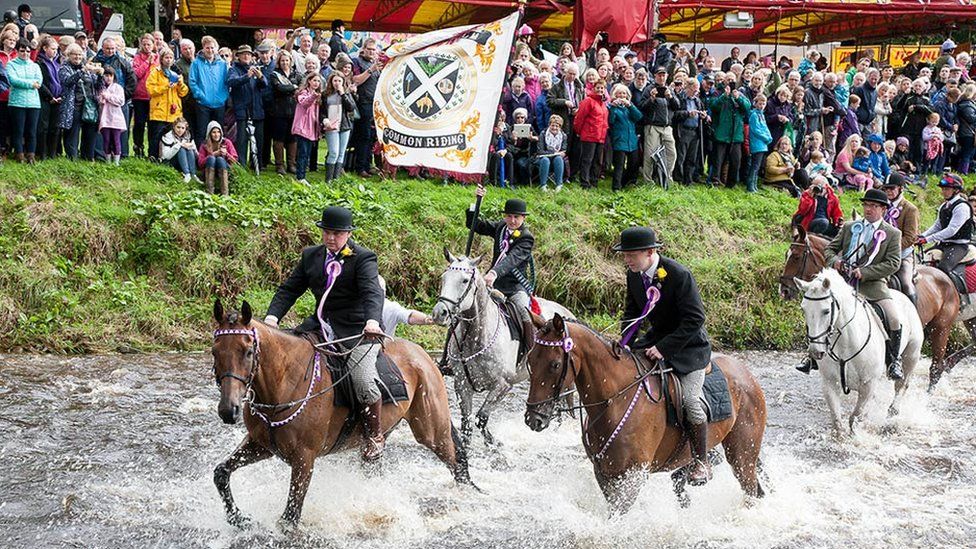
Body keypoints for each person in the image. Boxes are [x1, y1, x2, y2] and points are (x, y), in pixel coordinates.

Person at [264, 205, 387, 461]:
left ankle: (374, 436)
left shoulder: (363, 258)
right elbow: (289, 289)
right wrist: (272, 318)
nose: (331, 238)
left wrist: (373, 321)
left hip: (357, 331)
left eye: (337, 233)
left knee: (363, 380)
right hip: (319, 327)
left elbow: (371, 293)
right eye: (327, 232)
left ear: (348, 234)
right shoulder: (311, 256)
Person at [612, 226, 713, 485]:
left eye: (631, 254)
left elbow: (695, 319)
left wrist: (664, 348)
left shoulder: (679, 275)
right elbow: (632, 314)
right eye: (625, 255)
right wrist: (624, 344)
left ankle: (702, 461)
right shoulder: (633, 275)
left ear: (650, 252)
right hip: (654, 340)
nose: (626, 259)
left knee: (690, 401)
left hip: (689, 348)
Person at [816, 189, 905, 380]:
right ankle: (812, 355)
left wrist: (864, 272)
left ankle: (894, 361)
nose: (868, 209)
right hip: (843, 283)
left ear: (883, 209)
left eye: (873, 206)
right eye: (866, 205)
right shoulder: (850, 227)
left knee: (894, 318)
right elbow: (830, 249)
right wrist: (835, 262)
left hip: (872, 285)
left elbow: (893, 263)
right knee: (818, 307)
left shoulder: (892, 233)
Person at [465, 187, 535, 329]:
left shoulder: (526, 237)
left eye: (516, 217)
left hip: (515, 286)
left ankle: (529, 346)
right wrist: (477, 202)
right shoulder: (501, 227)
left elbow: (512, 259)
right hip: (494, 284)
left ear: (523, 218)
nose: (512, 220)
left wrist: (493, 273)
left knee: (523, 311)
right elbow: (474, 225)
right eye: (509, 216)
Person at [918, 174, 973, 275]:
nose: (944, 192)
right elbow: (937, 226)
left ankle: (955, 290)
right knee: (921, 261)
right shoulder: (944, 205)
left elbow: (951, 230)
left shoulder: (962, 207)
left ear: (956, 190)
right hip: (943, 244)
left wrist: (928, 239)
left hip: (958, 245)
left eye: (947, 189)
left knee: (943, 269)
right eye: (943, 189)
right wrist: (922, 236)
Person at [226, 45, 266, 171]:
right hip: (242, 110)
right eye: (243, 54)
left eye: (248, 54)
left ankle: (256, 165)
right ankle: (241, 166)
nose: (246, 56)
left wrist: (261, 77)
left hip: (257, 110)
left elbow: (264, 85)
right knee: (242, 140)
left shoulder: (255, 68)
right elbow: (232, 82)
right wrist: (246, 76)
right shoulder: (233, 69)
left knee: (259, 140)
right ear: (238, 56)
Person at [882, 173, 920, 305]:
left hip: (902, 255)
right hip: (879, 252)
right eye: (886, 189)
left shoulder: (910, 209)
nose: (888, 192)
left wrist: (890, 248)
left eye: (891, 189)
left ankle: (915, 315)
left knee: (906, 283)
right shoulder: (881, 207)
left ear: (900, 188)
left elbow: (910, 237)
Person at [58, 44, 100, 160]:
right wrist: (82, 71)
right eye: (74, 54)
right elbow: (67, 81)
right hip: (73, 106)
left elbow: (97, 85)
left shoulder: (88, 69)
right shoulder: (64, 68)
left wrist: (100, 75)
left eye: (80, 54)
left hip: (89, 105)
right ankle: (72, 157)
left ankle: (88, 157)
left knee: (90, 131)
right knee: (72, 133)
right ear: (68, 55)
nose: (77, 57)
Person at [145, 47, 188, 160]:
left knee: (171, 137)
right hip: (159, 111)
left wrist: (180, 84)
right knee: (156, 136)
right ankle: (152, 157)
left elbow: (184, 93)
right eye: (166, 57)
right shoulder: (155, 72)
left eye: (171, 58)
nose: (168, 60)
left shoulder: (176, 74)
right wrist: (165, 87)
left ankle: (168, 159)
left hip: (173, 112)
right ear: (161, 59)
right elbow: (150, 89)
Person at [640, 67, 679, 185]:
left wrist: (671, 97)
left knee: (671, 153)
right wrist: (651, 98)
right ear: (655, 76)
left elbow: (677, 106)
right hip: (653, 126)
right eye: (659, 75)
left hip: (667, 127)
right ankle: (648, 181)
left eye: (664, 75)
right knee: (650, 155)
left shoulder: (669, 90)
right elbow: (642, 106)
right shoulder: (649, 89)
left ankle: (666, 178)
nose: (661, 77)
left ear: (667, 76)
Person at [5, 37, 41, 163]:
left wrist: (28, 83)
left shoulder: (35, 66)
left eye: (27, 51)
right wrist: (31, 84)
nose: (25, 53)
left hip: (33, 103)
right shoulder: (11, 64)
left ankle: (31, 154)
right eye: (22, 51)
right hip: (17, 102)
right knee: (18, 130)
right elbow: (13, 80)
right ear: (17, 51)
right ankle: (19, 154)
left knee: (31, 131)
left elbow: (39, 81)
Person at [350, 37, 382, 178]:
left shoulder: (378, 64)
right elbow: (356, 80)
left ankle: (368, 165)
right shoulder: (357, 62)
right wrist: (371, 69)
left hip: (376, 104)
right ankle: (360, 167)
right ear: (363, 49)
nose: (371, 52)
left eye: (373, 50)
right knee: (364, 136)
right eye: (369, 49)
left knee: (373, 137)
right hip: (363, 103)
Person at [188, 36, 229, 144]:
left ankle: (218, 156)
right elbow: (192, 81)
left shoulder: (223, 64)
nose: (210, 50)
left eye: (212, 47)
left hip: (219, 103)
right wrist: (199, 95)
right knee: (202, 131)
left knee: (218, 132)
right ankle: (201, 158)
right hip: (203, 103)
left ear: (216, 48)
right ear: (203, 48)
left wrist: (224, 96)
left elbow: (226, 81)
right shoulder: (196, 63)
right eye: (207, 48)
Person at [573, 79, 609, 189]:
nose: (600, 90)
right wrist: (578, 131)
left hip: (601, 136)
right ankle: (585, 182)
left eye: (602, 88)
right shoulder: (588, 101)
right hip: (589, 135)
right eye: (598, 87)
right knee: (587, 160)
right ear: (593, 88)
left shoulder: (603, 103)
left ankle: (594, 181)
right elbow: (579, 118)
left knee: (598, 160)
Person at [269, 50, 299, 175]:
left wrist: (291, 88)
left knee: (292, 138)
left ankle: (291, 164)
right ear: (279, 62)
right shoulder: (274, 74)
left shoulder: (296, 74)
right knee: (278, 138)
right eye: (282, 60)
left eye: (287, 60)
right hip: (279, 111)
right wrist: (292, 87)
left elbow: (301, 87)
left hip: (293, 111)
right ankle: (279, 164)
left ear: (291, 61)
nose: (285, 62)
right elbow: (278, 88)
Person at [608, 83, 643, 191]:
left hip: (632, 140)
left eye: (624, 93)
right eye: (619, 93)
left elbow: (639, 117)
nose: (622, 95)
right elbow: (611, 121)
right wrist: (613, 107)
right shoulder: (612, 107)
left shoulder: (629, 106)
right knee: (619, 165)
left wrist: (630, 106)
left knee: (634, 163)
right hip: (619, 139)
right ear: (615, 95)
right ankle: (616, 187)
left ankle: (628, 182)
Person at [291, 71, 322, 185]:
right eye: (314, 80)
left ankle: (302, 175)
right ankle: (300, 177)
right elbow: (305, 103)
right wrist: (313, 96)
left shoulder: (317, 95)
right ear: (309, 81)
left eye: (318, 81)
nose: (316, 83)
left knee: (307, 153)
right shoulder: (303, 93)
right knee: (302, 153)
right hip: (303, 127)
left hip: (312, 128)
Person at [34, 35, 61, 159]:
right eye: (52, 49)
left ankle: (52, 153)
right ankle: (42, 153)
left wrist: (60, 96)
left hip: (58, 98)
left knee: (55, 128)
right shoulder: (39, 63)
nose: (55, 51)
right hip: (45, 99)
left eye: (56, 49)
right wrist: (50, 96)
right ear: (45, 48)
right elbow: (41, 83)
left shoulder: (57, 63)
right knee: (43, 128)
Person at [131, 33, 158, 158]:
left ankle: (152, 150)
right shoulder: (137, 58)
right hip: (140, 96)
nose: (147, 47)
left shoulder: (158, 58)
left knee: (153, 124)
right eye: (144, 44)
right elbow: (137, 74)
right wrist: (147, 62)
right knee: (139, 123)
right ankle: (138, 147)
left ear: (153, 45)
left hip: (154, 96)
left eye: (149, 44)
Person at [197, 120, 237, 194]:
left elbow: (235, 160)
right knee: (211, 158)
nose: (216, 134)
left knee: (220, 159)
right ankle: (209, 191)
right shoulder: (204, 145)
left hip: (224, 169)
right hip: (209, 169)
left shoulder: (227, 142)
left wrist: (226, 154)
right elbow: (200, 163)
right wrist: (213, 154)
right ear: (210, 134)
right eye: (214, 132)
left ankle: (225, 193)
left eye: (218, 132)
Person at [97, 66, 126, 165]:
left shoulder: (118, 88)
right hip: (105, 118)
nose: (108, 78)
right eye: (106, 75)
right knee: (106, 140)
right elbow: (99, 101)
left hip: (116, 118)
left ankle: (116, 162)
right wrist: (102, 98)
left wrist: (108, 96)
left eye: (110, 75)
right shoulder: (101, 88)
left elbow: (121, 101)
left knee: (116, 140)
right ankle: (108, 161)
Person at [159, 116, 199, 183]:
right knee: (181, 148)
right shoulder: (168, 136)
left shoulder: (188, 135)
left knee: (189, 148)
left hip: (185, 161)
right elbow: (166, 156)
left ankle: (193, 174)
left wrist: (191, 147)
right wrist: (179, 145)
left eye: (183, 128)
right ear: (174, 126)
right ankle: (187, 174)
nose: (180, 130)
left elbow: (196, 154)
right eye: (178, 127)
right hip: (169, 162)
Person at [535, 113, 566, 191]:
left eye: (557, 126)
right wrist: (552, 152)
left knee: (559, 159)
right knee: (545, 160)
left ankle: (559, 184)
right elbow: (540, 151)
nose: (554, 128)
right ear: (549, 125)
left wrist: (562, 153)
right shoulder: (543, 134)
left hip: (556, 157)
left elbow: (563, 149)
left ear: (560, 127)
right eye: (552, 125)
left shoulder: (563, 136)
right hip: (542, 157)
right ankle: (543, 185)